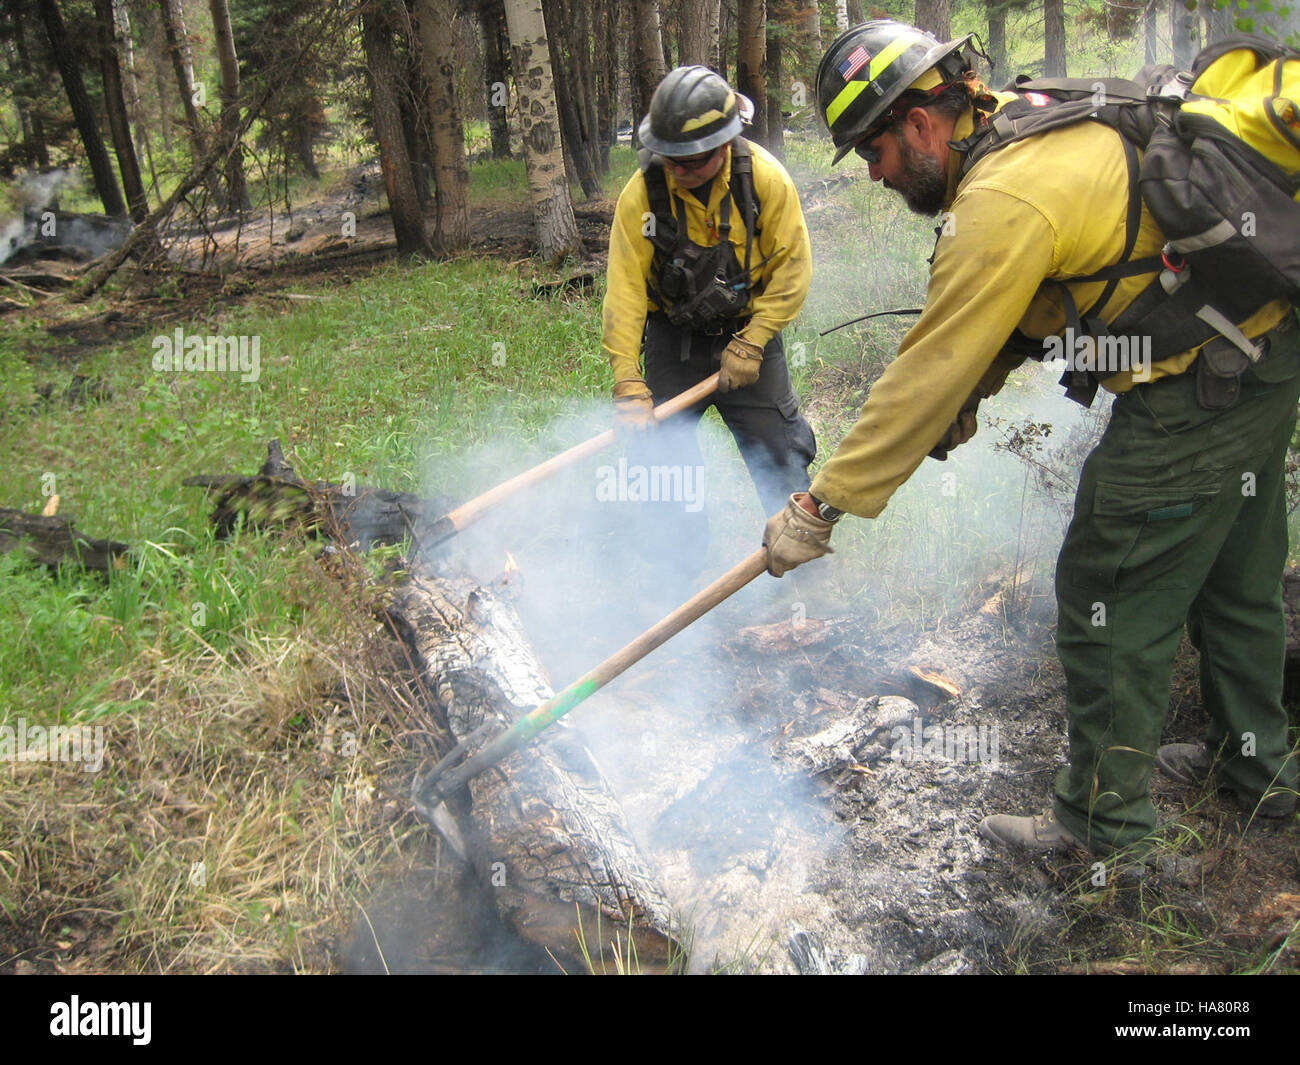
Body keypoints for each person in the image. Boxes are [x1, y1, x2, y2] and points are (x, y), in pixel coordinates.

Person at [762, 19, 1299, 853]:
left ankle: (1101, 832)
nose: (873, 175)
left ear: (920, 122)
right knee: (1236, 576)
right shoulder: (1031, 115)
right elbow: (1045, 296)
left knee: (1108, 589)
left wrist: (819, 506)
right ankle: (1257, 770)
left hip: (1201, 388)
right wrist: (968, 397)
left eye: (874, 152)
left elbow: (924, 371)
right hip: (1260, 355)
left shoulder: (1000, 199)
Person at [603, 66, 816, 583]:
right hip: (674, 341)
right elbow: (626, 289)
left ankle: (806, 580)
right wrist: (628, 379)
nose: (679, 170)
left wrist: (755, 341)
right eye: (671, 159)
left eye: (692, 161)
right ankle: (677, 575)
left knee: (781, 453)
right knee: (663, 463)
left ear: (726, 143)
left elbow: (793, 268)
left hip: (749, 337)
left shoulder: (764, 180)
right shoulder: (643, 194)